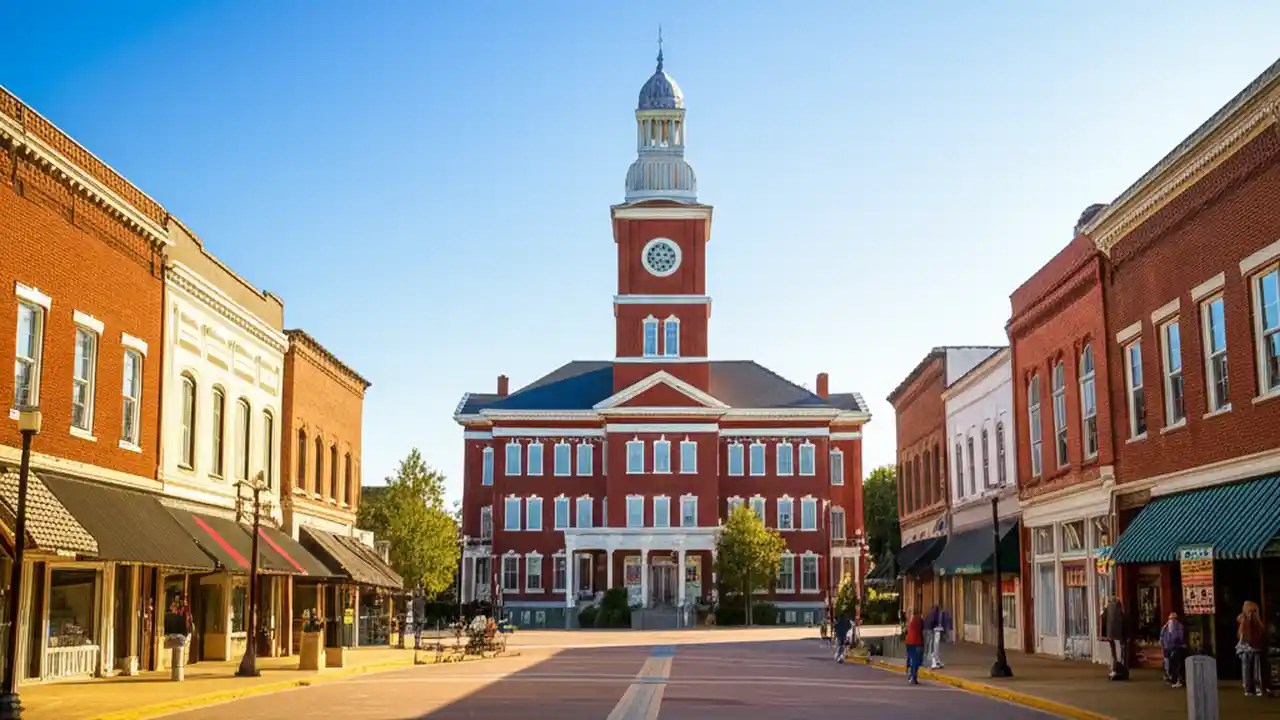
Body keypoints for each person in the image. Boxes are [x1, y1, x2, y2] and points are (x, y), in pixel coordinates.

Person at [1238, 600, 1266, 697]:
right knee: (1247, 668)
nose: (1251, 613)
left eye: (1253, 611)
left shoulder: (1256, 621)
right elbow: (1241, 633)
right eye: (1249, 611)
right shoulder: (1243, 620)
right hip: (1246, 647)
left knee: (1255, 668)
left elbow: (1261, 630)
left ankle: (1256, 688)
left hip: (1254, 646)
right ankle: (1248, 688)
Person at [1160, 612, 1187, 688]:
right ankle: (1170, 676)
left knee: (1175, 665)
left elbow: (1180, 638)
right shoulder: (1165, 628)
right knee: (1167, 664)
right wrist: (1162, 645)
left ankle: (1176, 679)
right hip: (1167, 648)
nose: (1172, 620)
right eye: (1170, 618)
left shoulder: (1179, 627)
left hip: (1176, 649)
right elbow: (1161, 637)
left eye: (1173, 619)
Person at [905, 608, 925, 685]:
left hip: (909, 643)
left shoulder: (912, 621)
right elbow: (923, 629)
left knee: (912, 659)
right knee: (916, 661)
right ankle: (913, 676)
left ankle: (911, 675)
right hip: (917, 643)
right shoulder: (919, 620)